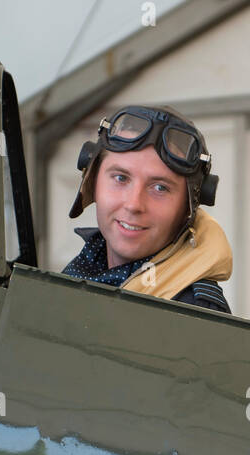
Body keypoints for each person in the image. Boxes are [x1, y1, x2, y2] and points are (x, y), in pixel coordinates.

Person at [63, 104, 231, 313]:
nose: (134, 204)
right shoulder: (83, 269)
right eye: (120, 178)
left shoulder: (195, 313)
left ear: (188, 208)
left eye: (160, 187)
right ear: (93, 180)